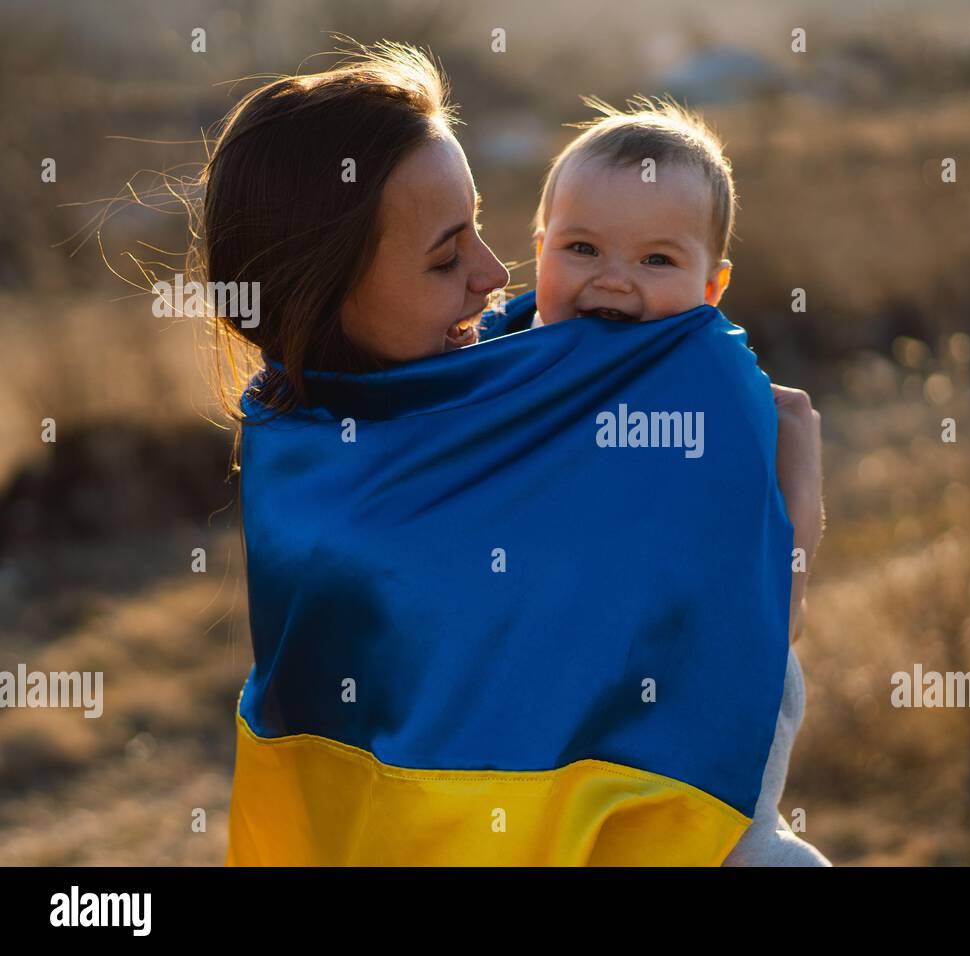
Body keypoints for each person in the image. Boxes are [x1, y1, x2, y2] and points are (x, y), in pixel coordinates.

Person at [203, 40, 824, 865]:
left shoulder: (551, 378)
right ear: (329, 285)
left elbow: (724, 628)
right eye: (445, 254)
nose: (496, 275)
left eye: (482, 231)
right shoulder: (318, 468)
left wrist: (764, 495)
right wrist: (799, 514)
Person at [485, 95, 829, 864]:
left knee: (737, 847)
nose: (614, 281)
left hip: (703, 699)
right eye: (580, 248)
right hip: (548, 708)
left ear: (713, 287)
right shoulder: (492, 369)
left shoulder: (717, 391)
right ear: (537, 246)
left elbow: (772, 572)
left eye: (656, 260)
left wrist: (788, 561)